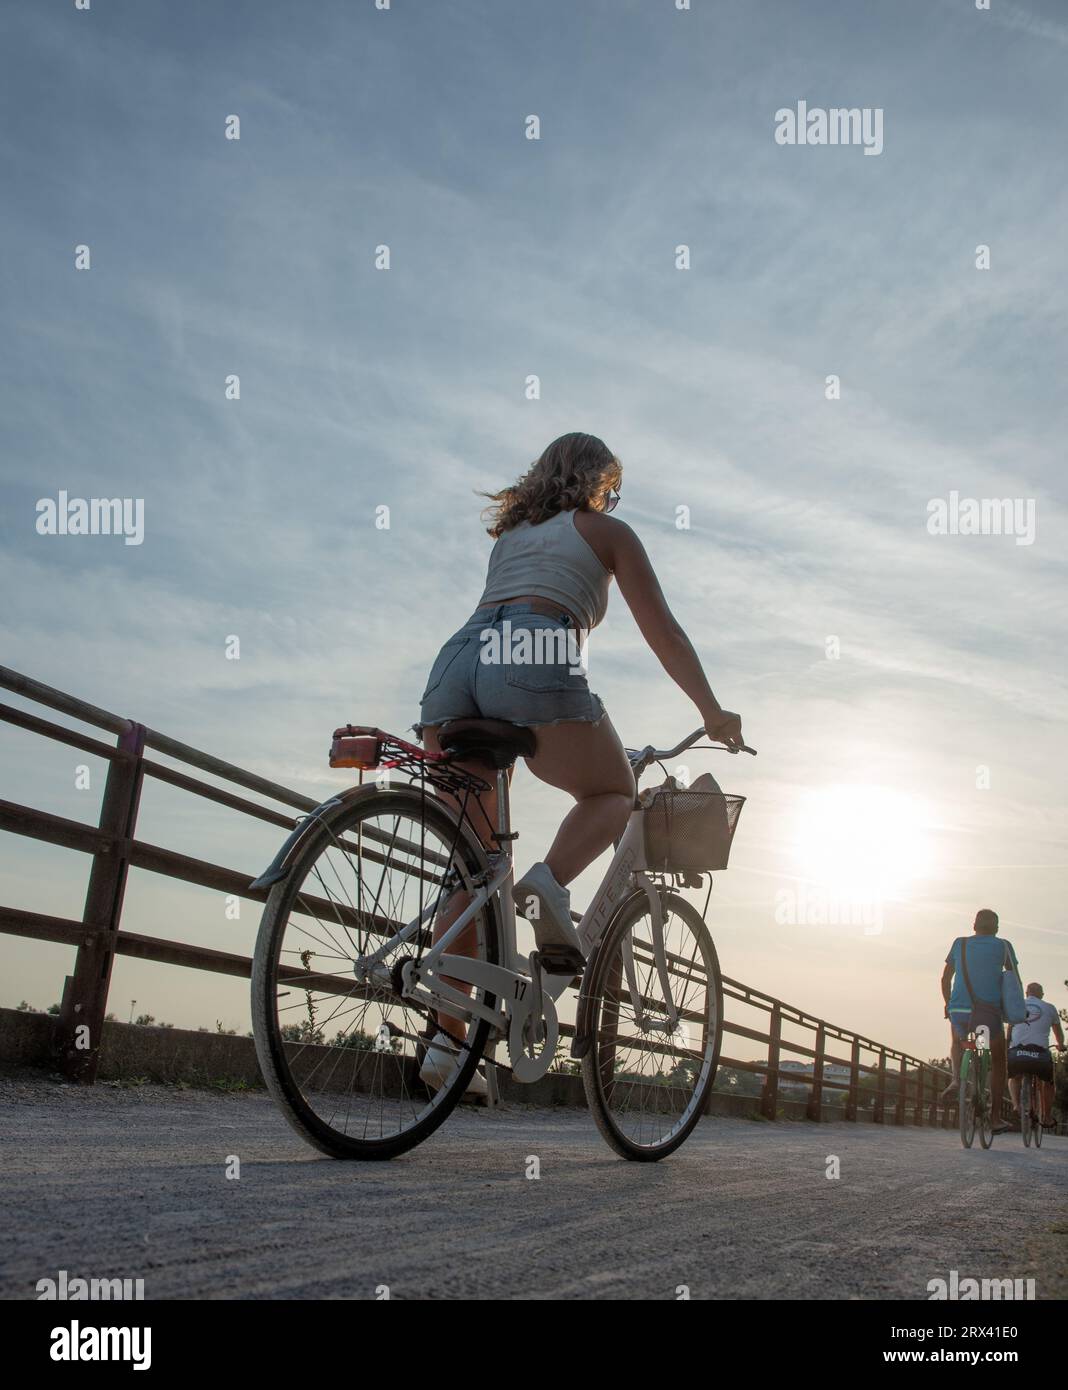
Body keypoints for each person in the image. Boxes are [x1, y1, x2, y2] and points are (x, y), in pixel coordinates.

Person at [413, 433, 745, 1092]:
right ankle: (551, 882)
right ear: (597, 482)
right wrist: (713, 710)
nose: (610, 498)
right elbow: (664, 632)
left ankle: (449, 1053)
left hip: (455, 667)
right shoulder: (606, 532)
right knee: (614, 792)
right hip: (532, 650)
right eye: (610, 487)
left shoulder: (511, 538)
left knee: (475, 878)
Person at [939, 908, 1019, 1133]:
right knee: (998, 1058)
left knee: (957, 1038)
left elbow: (945, 978)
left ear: (974, 926)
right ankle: (993, 1118)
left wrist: (948, 1003)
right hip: (988, 1013)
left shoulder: (959, 943)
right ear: (996, 929)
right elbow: (1014, 981)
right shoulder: (1003, 946)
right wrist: (1016, 1010)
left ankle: (956, 1079)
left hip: (960, 1010)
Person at [1007, 983, 1063, 1129]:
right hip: (1040, 1056)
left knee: (1014, 1077)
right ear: (1042, 995)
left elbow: (1009, 1032)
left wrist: (1009, 1047)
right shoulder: (1050, 1008)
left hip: (1018, 1053)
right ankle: (1047, 1116)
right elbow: (1059, 1035)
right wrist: (1061, 1045)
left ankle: (1016, 1105)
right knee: (1048, 1082)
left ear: (1026, 993)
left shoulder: (1017, 1006)